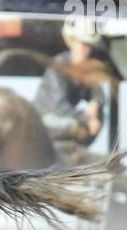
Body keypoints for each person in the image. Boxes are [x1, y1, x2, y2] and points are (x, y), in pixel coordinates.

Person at [33, 19, 107, 147]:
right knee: (73, 125)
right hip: (43, 119)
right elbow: (59, 106)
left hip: (64, 117)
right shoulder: (59, 66)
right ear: (72, 42)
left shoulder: (85, 69)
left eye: (88, 45)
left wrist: (95, 103)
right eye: (81, 43)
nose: (84, 49)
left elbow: (99, 94)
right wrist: (88, 118)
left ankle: (77, 152)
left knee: (99, 117)